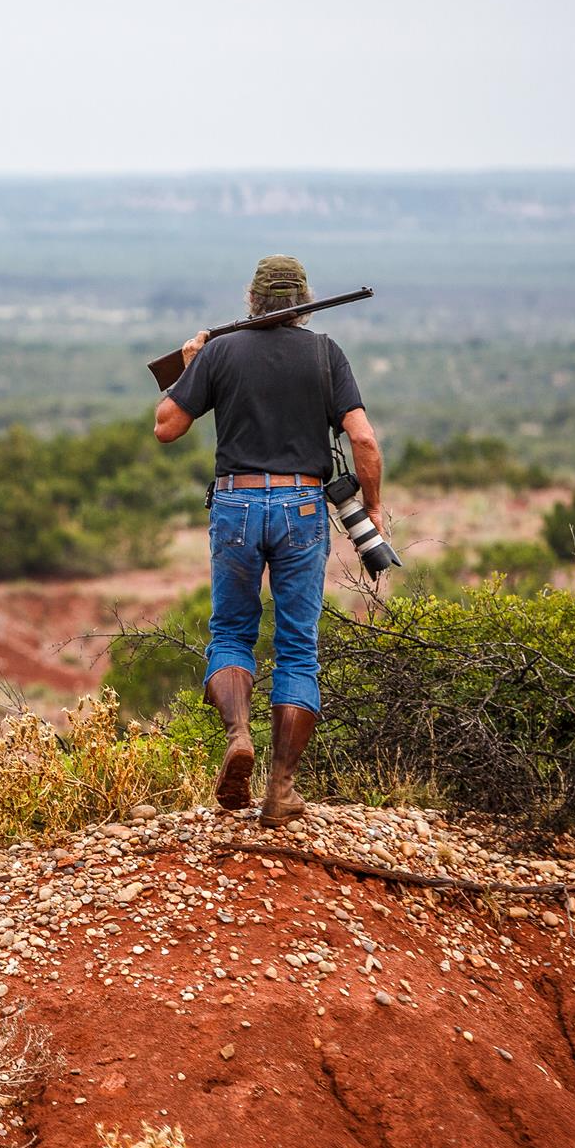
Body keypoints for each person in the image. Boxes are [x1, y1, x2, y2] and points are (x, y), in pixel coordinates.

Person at [151, 255, 383, 826]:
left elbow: (166, 426)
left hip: (235, 500)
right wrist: (371, 506)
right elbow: (364, 440)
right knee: (298, 646)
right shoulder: (326, 353)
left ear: (252, 301)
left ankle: (237, 737)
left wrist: (190, 366)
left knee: (231, 631)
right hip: (302, 508)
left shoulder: (222, 351)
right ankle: (280, 790)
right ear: (302, 302)